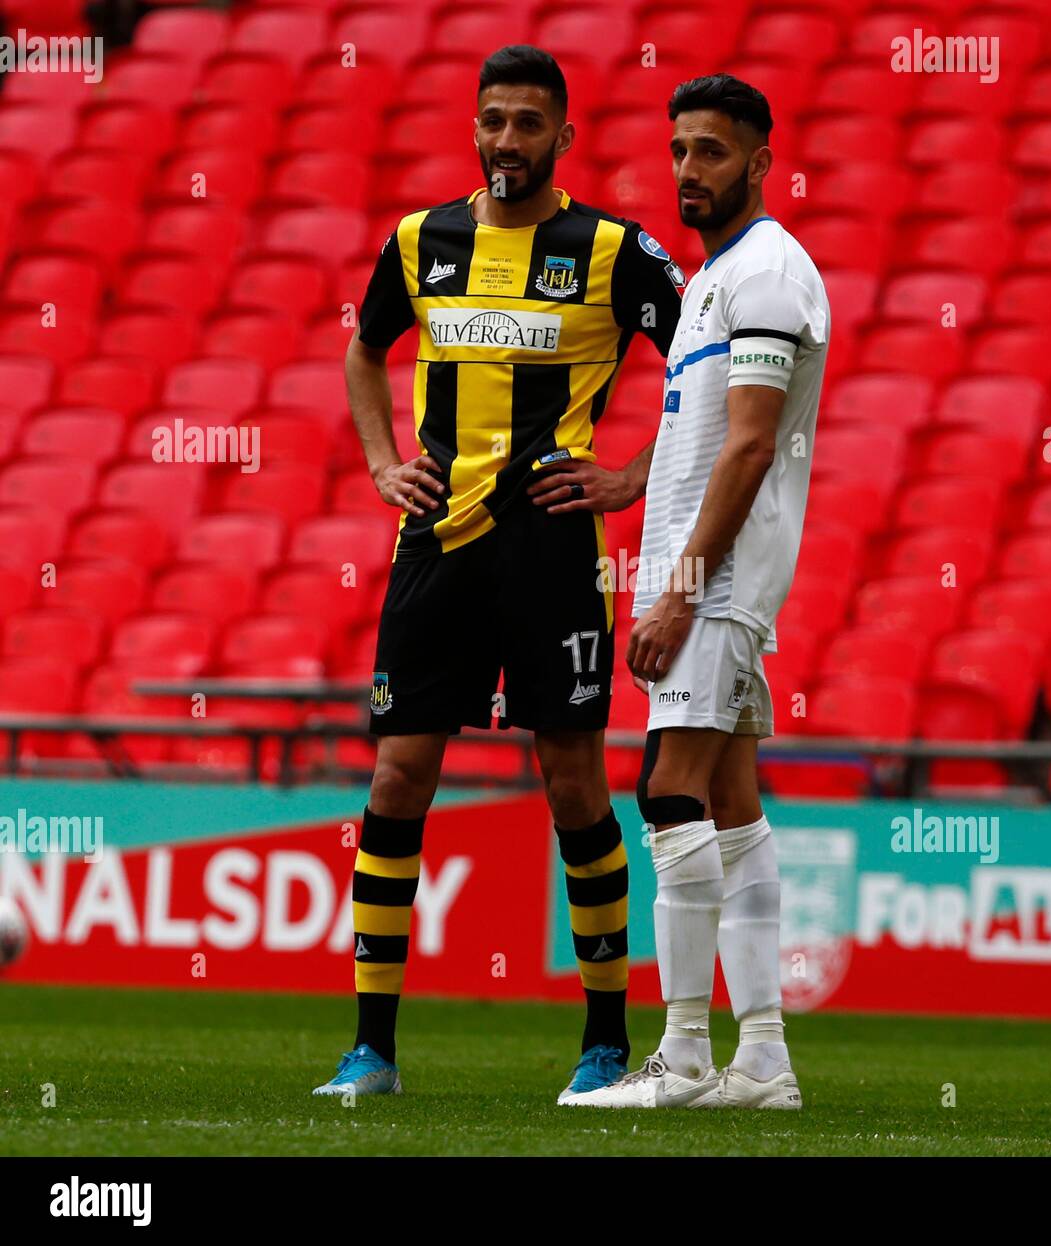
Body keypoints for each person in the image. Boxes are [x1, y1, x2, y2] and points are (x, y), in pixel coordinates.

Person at [312, 45, 683, 1102]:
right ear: (473, 129)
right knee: (396, 779)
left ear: (563, 137)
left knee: (572, 781)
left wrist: (628, 479)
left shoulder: (609, 248)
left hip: (552, 548)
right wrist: (385, 462)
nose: (505, 140)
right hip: (432, 545)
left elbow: (697, 359)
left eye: (527, 123)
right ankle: (370, 1051)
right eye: (492, 121)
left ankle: (605, 1041)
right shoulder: (420, 240)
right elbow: (363, 347)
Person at [563, 74, 830, 1110]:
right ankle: (760, 1058)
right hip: (705, 572)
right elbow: (708, 429)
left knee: (666, 791)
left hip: (713, 581)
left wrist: (676, 590)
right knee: (726, 800)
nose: (688, 169)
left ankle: (679, 1057)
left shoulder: (765, 273)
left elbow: (754, 443)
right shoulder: (718, 279)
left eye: (711, 151)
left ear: (760, 161)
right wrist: (631, 480)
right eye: (678, 149)